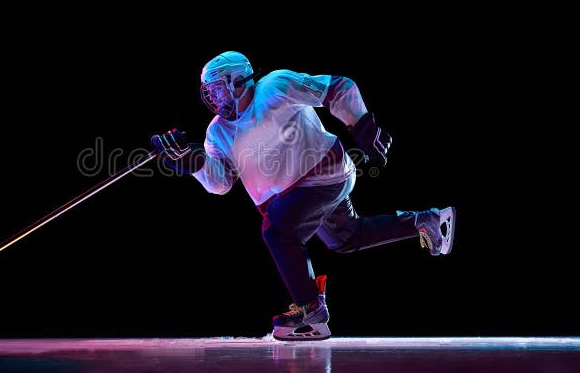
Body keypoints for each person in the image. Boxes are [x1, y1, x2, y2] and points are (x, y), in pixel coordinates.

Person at [151, 51, 455, 341]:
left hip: (324, 175)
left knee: (278, 230)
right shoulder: (216, 132)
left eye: (218, 89)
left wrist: (362, 122)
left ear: (238, 82)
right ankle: (424, 221)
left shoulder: (274, 86)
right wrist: (195, 163)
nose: (213, 98)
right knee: (346, 238)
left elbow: (338, 88)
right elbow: (221, 184)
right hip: (301, 195)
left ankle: (311, 311)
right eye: (208, 91)